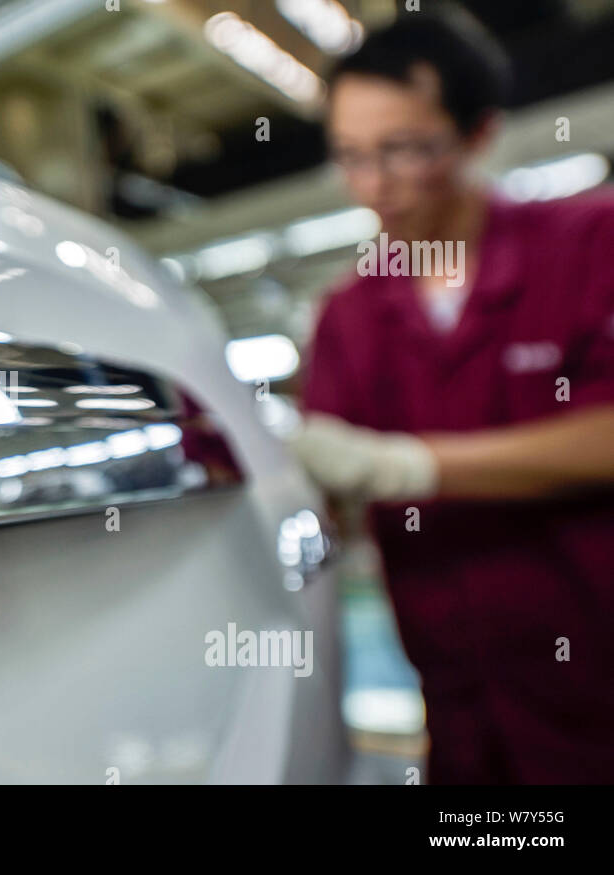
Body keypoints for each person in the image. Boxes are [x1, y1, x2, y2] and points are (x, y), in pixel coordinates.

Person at [291, 10, 614, 783]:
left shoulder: (589, 244)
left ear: (477, 135)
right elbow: (322, 482)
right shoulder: (350, 313)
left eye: (402, 150)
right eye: (352, 156)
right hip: (462, 711)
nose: (374, 184)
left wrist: (409, 466)